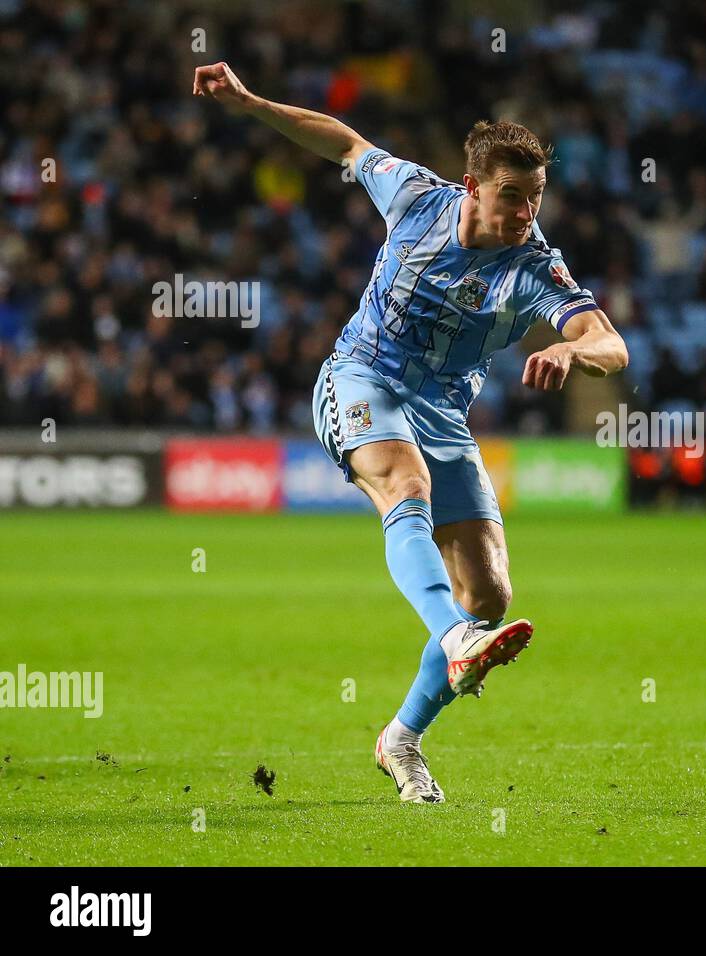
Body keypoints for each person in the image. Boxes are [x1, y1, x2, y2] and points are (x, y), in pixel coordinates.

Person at [193, 62, 629, 802]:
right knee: (406, 484)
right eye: (511, 197)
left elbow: (611, 344)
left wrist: (568, 349)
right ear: (473, 188)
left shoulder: (532, 267)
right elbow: (341, 141)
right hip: (360, 378)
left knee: (489, 594)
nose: (525, 214)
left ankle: (402, 739)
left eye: (536, 199)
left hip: (441, 412)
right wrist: (250, 103)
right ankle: (454, 640)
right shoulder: (415, 195)